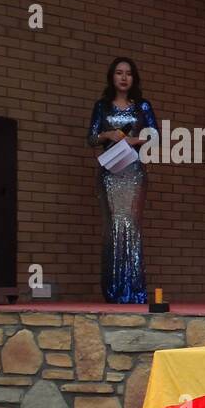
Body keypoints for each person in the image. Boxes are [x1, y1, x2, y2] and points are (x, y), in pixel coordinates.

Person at [87, 57, 155, 303]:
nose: (124, 77)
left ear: (133, 78)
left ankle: (134, 291)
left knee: (131, 226)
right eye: (119, 73)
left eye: (128, 73)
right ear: (112, 77)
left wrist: (131, 141)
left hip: (133, 170)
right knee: (113, 227)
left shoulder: (142, 106)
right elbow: (91, 138)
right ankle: (114, 290)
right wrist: (108, 134)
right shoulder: (102, 106)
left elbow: (154, 134)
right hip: (110, 171)